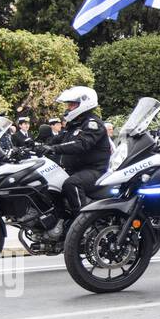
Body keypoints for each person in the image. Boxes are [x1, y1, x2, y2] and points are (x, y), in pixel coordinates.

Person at [43, 87, 109, 237]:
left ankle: (82, 225)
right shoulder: (73, 125)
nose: (68, 108)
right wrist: (35, 146)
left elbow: (82, 144)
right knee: (49, 183)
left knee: (72, 183)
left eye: (72, 104)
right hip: (74, 169)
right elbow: (56, 140)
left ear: (84, 104)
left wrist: (53, 149)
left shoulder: (93, 124)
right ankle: (59, 218)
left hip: (94, 170)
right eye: (68, 105)